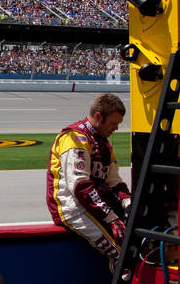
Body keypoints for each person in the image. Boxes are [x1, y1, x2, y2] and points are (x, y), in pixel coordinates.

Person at [46, 93, 132, 266]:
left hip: (98, 205)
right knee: (121, 255)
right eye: (113, 123)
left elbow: (113, 179)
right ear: (99, 117)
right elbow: (79, 186)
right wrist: (111, 218)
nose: (115, 129)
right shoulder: (74, 138)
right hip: (73, 208)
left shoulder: (105, 143)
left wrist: (127, 201)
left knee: (136, 242)